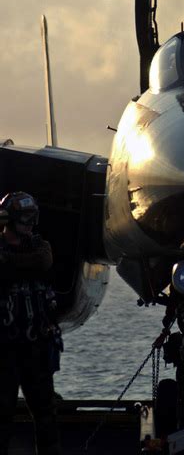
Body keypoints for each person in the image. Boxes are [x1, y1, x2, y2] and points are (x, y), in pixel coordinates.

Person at [0, 192, 62, 455]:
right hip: (4, 350)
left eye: (33, 217)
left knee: (45, 415)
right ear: (10, 220)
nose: (31, 224)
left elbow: (44, 261)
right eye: (25, 218)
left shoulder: (39, 246)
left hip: (36, 345)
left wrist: (12, 263)